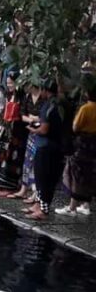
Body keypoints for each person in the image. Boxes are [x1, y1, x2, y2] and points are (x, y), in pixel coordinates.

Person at [26, 79, 65, 220]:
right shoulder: (60, 104)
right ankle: (39, 206)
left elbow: (44, 129)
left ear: (46, 90)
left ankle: (43, 210)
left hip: (45, 146)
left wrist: (32, 129)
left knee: (43, 179)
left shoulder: (48, 105)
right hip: (56, 146)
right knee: (47, 179)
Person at [57, 80, 96, 216]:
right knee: (88, 174)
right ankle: (86, 204)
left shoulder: (86, 108)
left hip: (83, 143)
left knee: (76, 174)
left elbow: (75, 126)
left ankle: (72, 207)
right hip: (94, 144)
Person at [0, 72, 27, 194]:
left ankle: (8, 186)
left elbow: (22, 115)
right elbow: (2, 115)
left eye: (11, 83)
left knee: (11, 158)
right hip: (4, 129)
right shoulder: (8, 96)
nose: (9, 85)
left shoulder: (23, 98)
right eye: (8, 83)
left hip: (16, 131)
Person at [8, 83, 44, 201]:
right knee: (27, 161)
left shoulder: (43, 97)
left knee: (36, 162)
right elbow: (22, 115)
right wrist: (32, 119)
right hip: (30, 132)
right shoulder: (27, 97)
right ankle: (23, 189)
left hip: (40, 132)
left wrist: (33, 118)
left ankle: (35, 193)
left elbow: (43, 118)